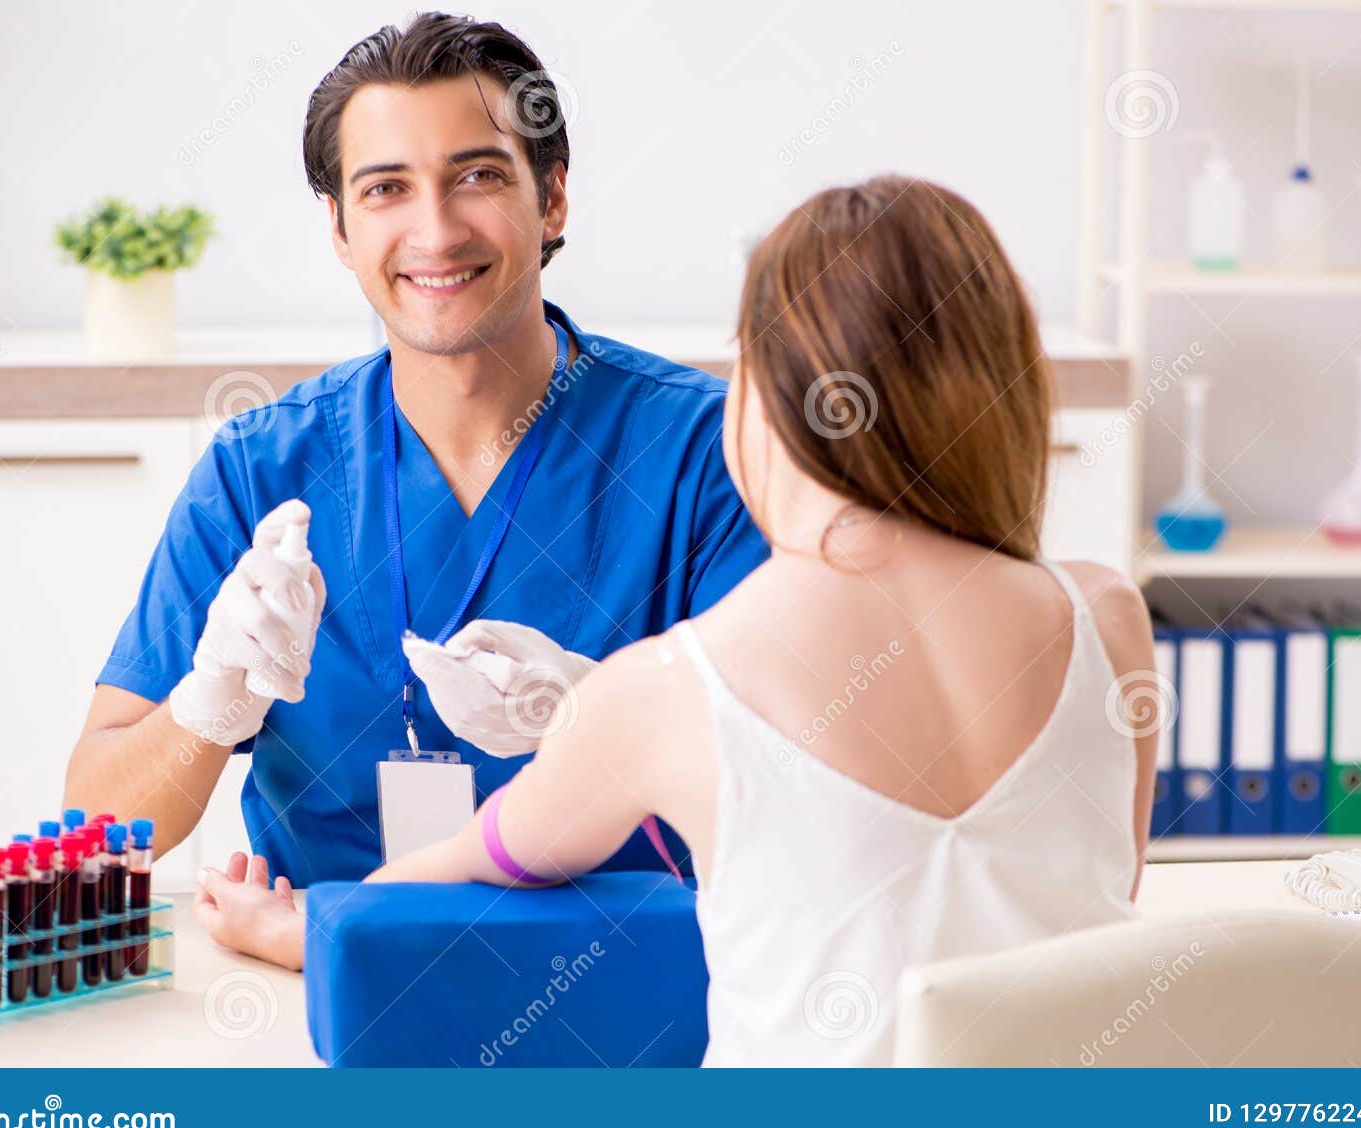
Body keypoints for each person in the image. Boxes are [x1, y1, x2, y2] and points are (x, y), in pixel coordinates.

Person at [195, 175, 1159, 1066]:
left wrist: (289, 927)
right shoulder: (1110, 620)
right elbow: (1092, 893)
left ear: (767, 399)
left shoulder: (671, 687)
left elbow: (433, 888)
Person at [64, 13, 767, 884]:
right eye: (386, 189)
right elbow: (96, 832)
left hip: (617, 985)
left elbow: (791, 791)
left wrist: (604, 715)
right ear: (340, 228)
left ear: (550, 199)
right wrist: (208, 702)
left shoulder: (707, 452)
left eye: (476, 175)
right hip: (322, 1000)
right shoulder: (261, 470)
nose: (435, 233)